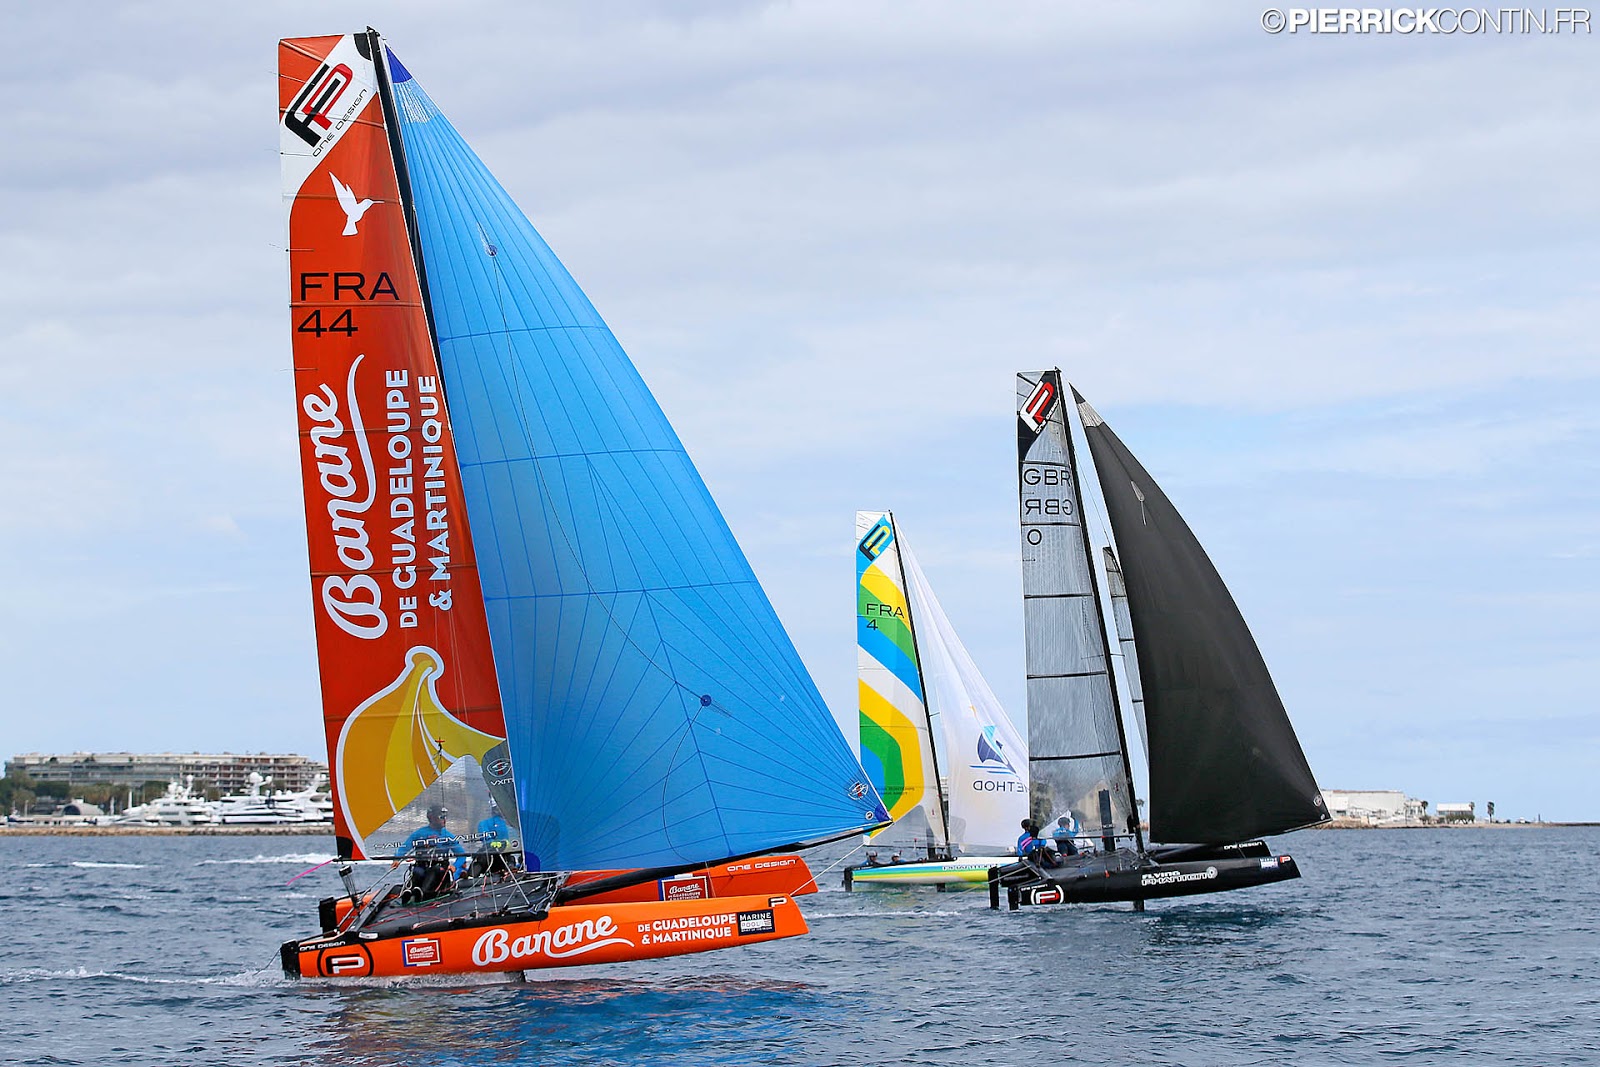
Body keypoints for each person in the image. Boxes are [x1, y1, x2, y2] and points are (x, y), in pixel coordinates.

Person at [399, 804, 465, 902]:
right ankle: (409, 892)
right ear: (432, 818)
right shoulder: (419, 834)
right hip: (422, 867)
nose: (444, 820)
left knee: (434, 870)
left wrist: (455, 866)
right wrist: (397, 858)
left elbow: (461, 854)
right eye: (441, 817)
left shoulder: (448, 836)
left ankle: (422, 893)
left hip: (439, 870)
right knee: (417, 872)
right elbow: (404, 848)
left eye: (445, 817)